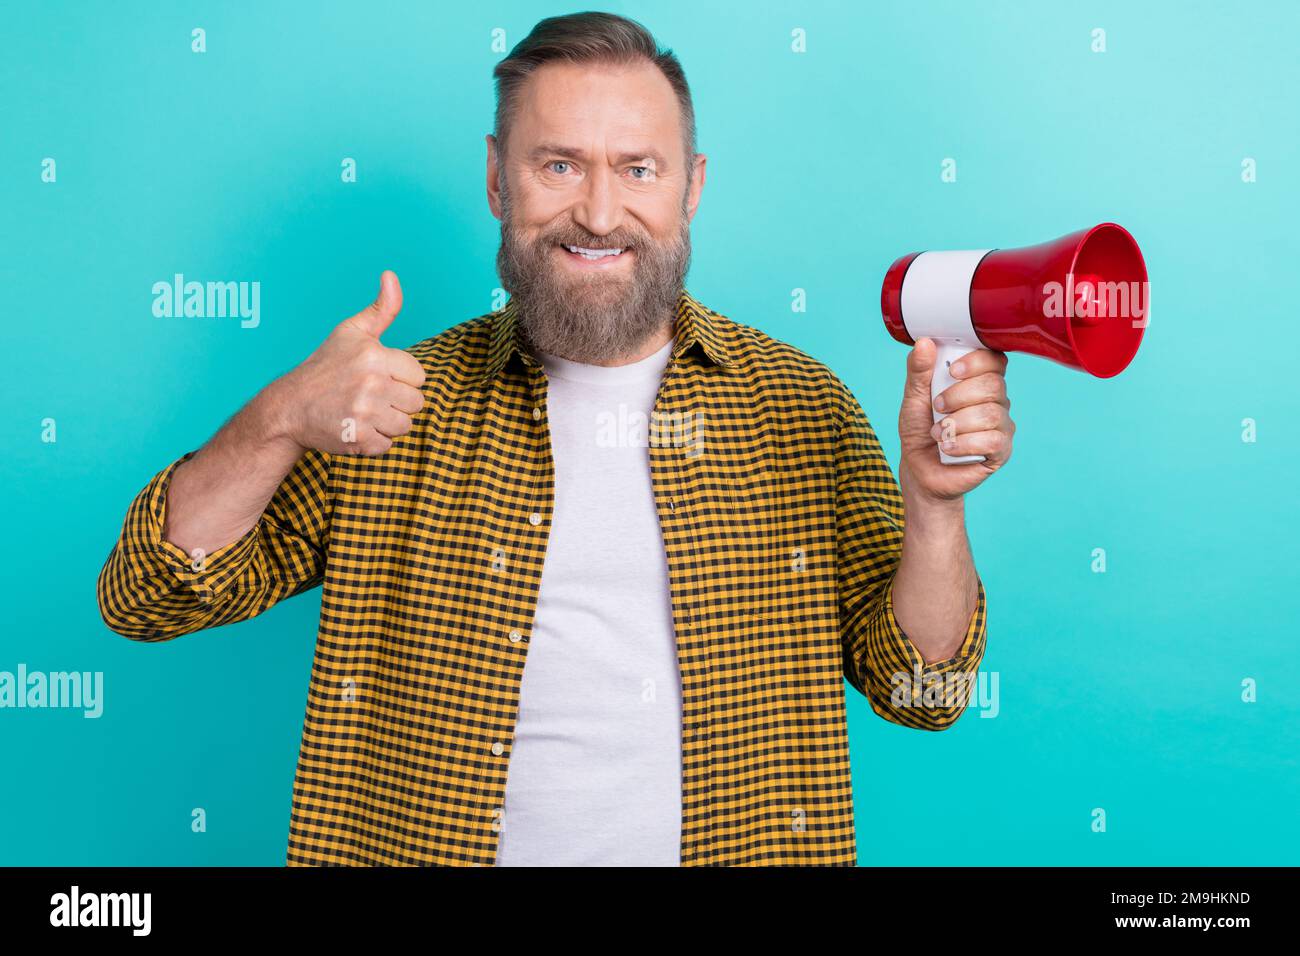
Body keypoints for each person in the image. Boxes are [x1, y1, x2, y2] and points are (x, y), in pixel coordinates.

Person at [98, 11, 1014, 867]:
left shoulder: (802, 408)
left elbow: (920, 697)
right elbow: (146, 597)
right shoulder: (387, 406)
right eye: (560, 166)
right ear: (498, 178)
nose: (602, 214)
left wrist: (934, 509)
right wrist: (279, 419)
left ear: (692, 186)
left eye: (639, 169)